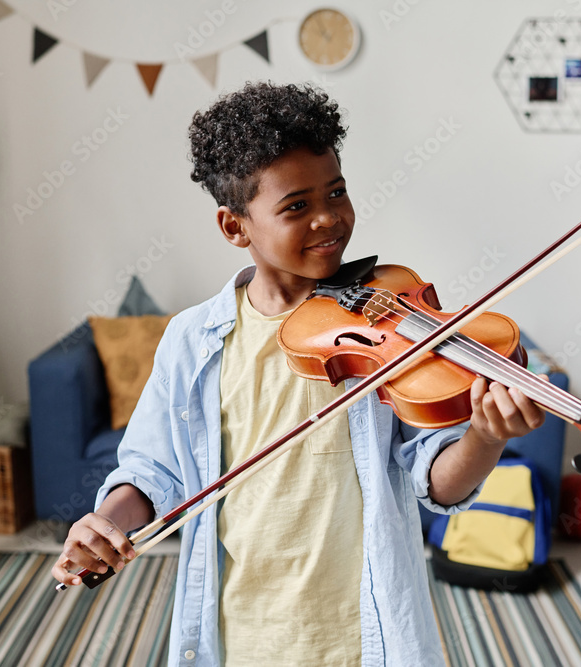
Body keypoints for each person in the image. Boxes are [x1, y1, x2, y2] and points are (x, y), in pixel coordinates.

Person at [51, 81, 546, 666]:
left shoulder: (393, 321)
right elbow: (152, 470)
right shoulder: (192, 339)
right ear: (236, 227)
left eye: (336, 192)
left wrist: (486, 437)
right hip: (239, 633)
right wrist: (105, 523)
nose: (329, 218)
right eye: (296, 206)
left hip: (363, 636)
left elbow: (437, 486)